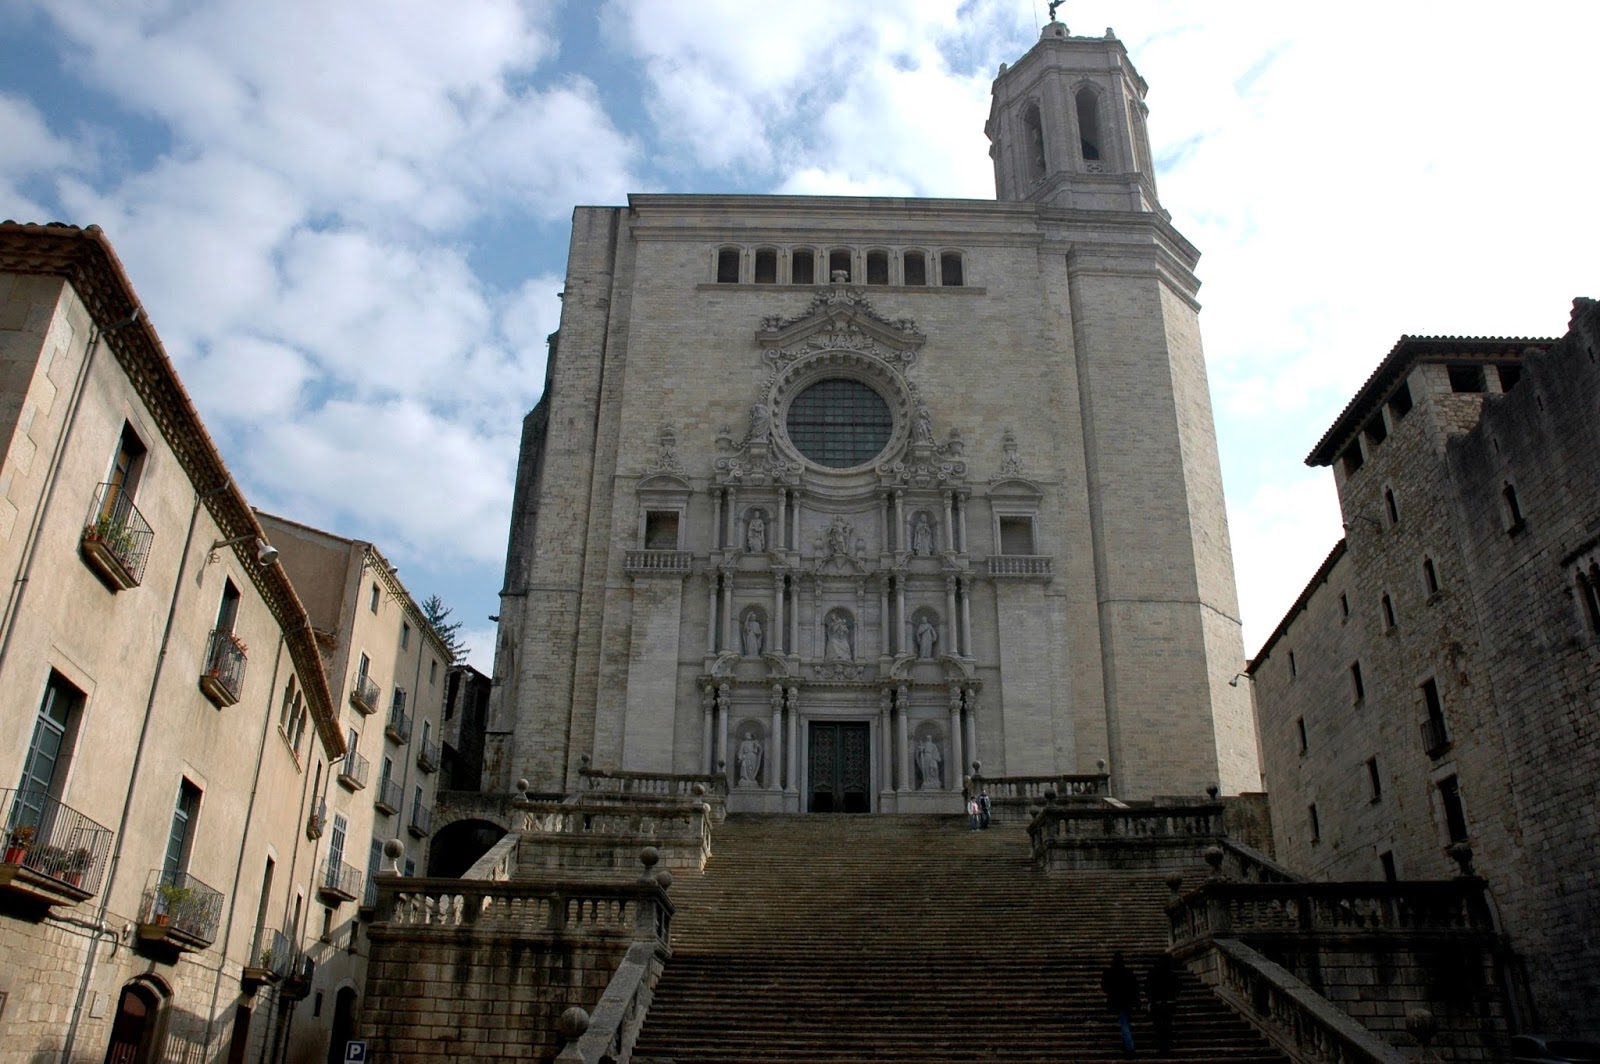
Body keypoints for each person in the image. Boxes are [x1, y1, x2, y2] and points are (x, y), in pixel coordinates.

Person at [1100, 952, 1140, 1058]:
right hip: (1128, 1001)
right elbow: (1136, 988)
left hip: (1116, 1000)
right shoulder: (1128, 972)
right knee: (1125, 1021)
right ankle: (1127, 1044)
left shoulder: (1109, 972)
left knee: (1123, 1022)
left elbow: (1104, 986)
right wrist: (1137, 1002)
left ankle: (1129, 1047)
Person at [1145, 954, 1179, 1054]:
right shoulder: (1171, 973)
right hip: (1169, 1002)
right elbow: (1178, 986)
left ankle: (1162, 1043)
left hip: (1157, 1003)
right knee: (1167, 1023)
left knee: (1159, 1024)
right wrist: (1174, 996)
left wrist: (1150, 1000)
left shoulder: (1153, 973)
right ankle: (1166, 1043)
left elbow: (1147, 987)